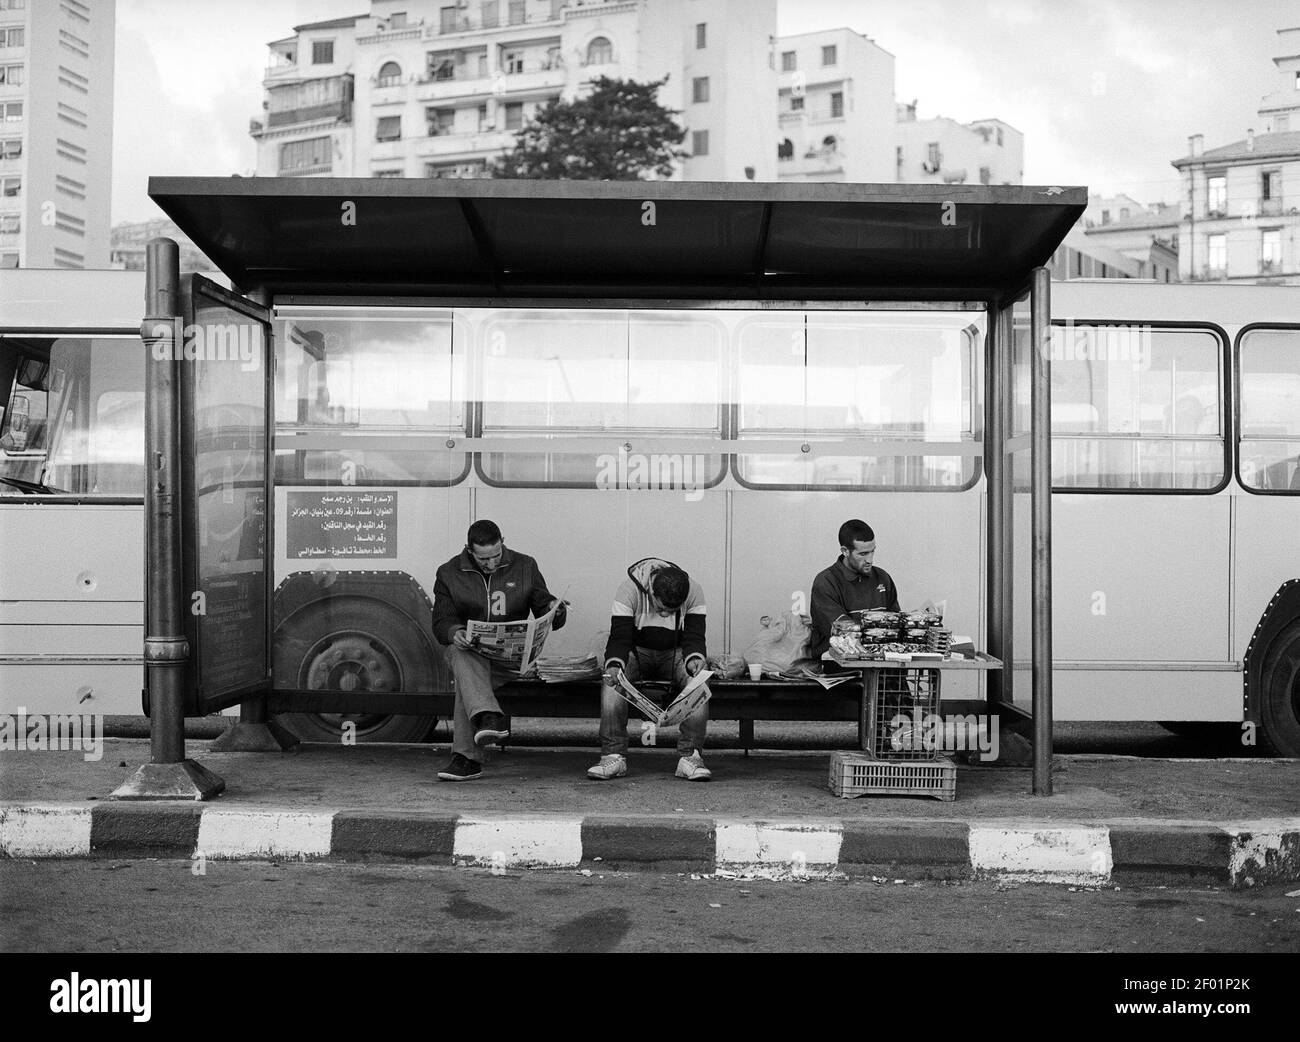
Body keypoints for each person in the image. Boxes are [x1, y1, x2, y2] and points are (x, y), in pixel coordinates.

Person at [430, 519, 566, 781]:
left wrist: (554, 609)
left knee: (466, 683)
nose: (491, 564)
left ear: (503, 542)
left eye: (496, 555)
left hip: (510, 663)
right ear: (469, 550)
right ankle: (486, 720)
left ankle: (469, 754)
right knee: (461, 654)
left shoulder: (525, 565)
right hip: (471, 656)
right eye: (484, 560)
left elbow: (542, 607)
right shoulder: (448, 573)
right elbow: (440, 621)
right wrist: (454, 633)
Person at [588, 558, 712, 782]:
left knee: (698, 684)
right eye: (662, 608)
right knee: (612, 681)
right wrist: (615, 664)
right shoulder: (628, 590)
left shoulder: (694, 590)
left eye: (672, 611)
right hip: (637, 652)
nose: (665, 615)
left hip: (677, 654)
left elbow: (694, 636)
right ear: (651, 592)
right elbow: (620, 637)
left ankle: (690, 758)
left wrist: (695, 659)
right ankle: (613, 756)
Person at [808, 519, 901, 659]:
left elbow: (895, 624)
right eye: (863, 554)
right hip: (842, 669)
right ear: (845, 551)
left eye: (872, 551)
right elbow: (843, 632)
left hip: (882, 668)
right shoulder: (826, 582)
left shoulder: (883, 578)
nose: (870, 560)